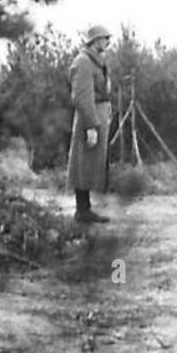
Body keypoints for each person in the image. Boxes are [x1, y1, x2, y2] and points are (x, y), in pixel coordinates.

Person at [67, 25, 113, 224]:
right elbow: (82, 97)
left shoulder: (96, 62)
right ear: (94, 40)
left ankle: (86, 209)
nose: (107, 42)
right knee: (83, 163)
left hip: (98, 113)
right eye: (104, 39)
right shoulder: (84, 62)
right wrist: (91, 125)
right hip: (90, 115)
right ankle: (82, 210)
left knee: (91, 163)